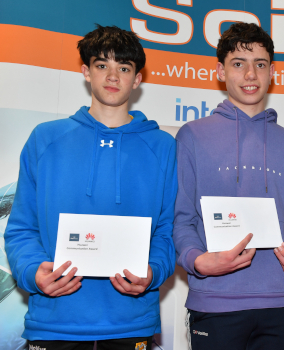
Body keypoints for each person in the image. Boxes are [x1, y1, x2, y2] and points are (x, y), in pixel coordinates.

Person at [5, 25, 177, 349]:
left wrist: (152, 272)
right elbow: (21, 229)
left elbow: (168, 231)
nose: (112, 77)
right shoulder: (45, 139)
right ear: (86, 71)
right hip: (54, 322)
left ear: (137, 79)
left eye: (123, 68)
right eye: (102, 66)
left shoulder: (163, 147)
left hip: (132, 324)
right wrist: (33, 272)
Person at [173, 22, 284, 349]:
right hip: (215, 300)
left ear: (272, 72)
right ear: (221, 71)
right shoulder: (192, 136)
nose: (250, 74)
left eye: (260, 65)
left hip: (280, 301)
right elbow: (181, 217)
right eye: (239, 64)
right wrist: (196, 259)